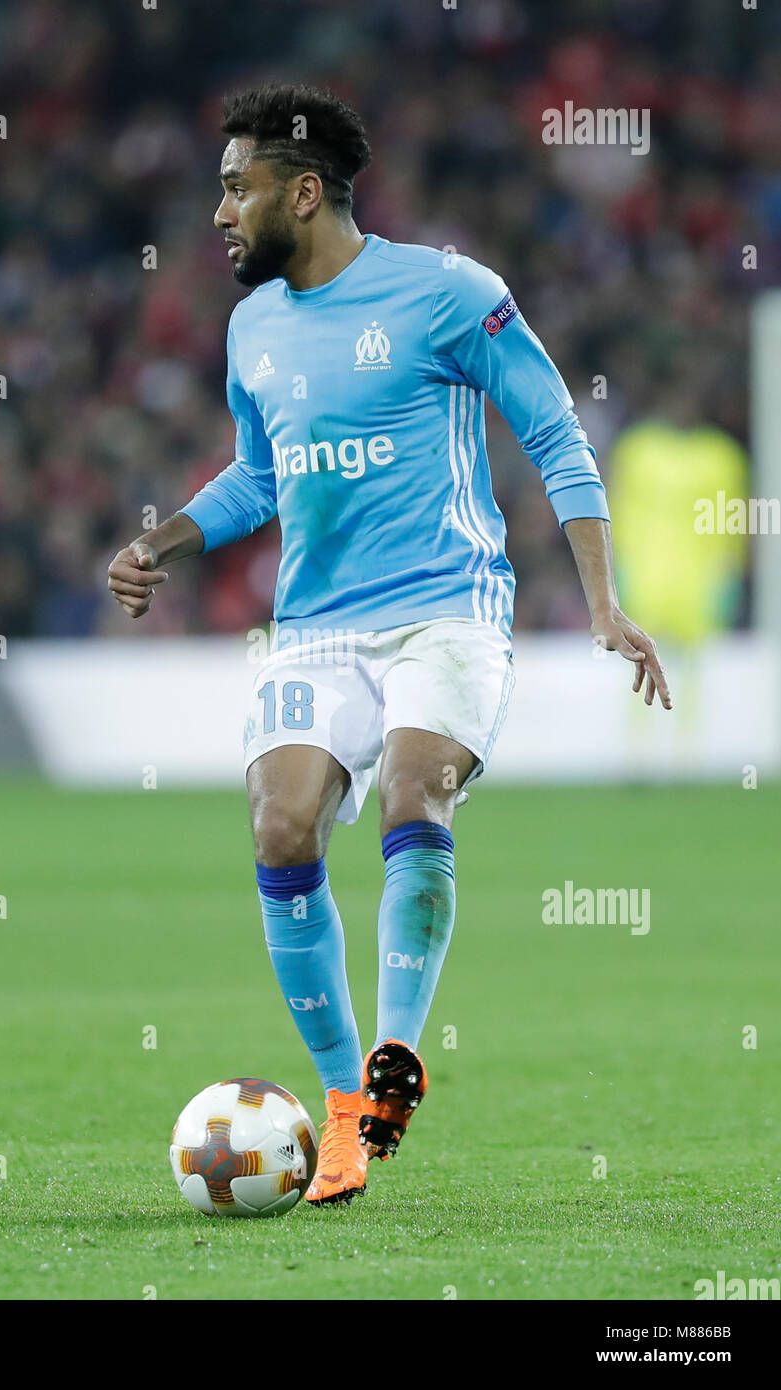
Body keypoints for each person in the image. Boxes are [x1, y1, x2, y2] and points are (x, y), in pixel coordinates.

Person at [108, 83, 671, 1206]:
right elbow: (261, 476)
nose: (218, 214)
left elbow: (555, 433)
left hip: (446, 610)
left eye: (236, 188)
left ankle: (394, 1057)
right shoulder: (251, 326)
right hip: (315, 630)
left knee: (418, 792)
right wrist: (163, 539)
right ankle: (344, 1109)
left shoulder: (450, 294)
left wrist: (604, 603)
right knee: (280, 826)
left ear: (302, 191)